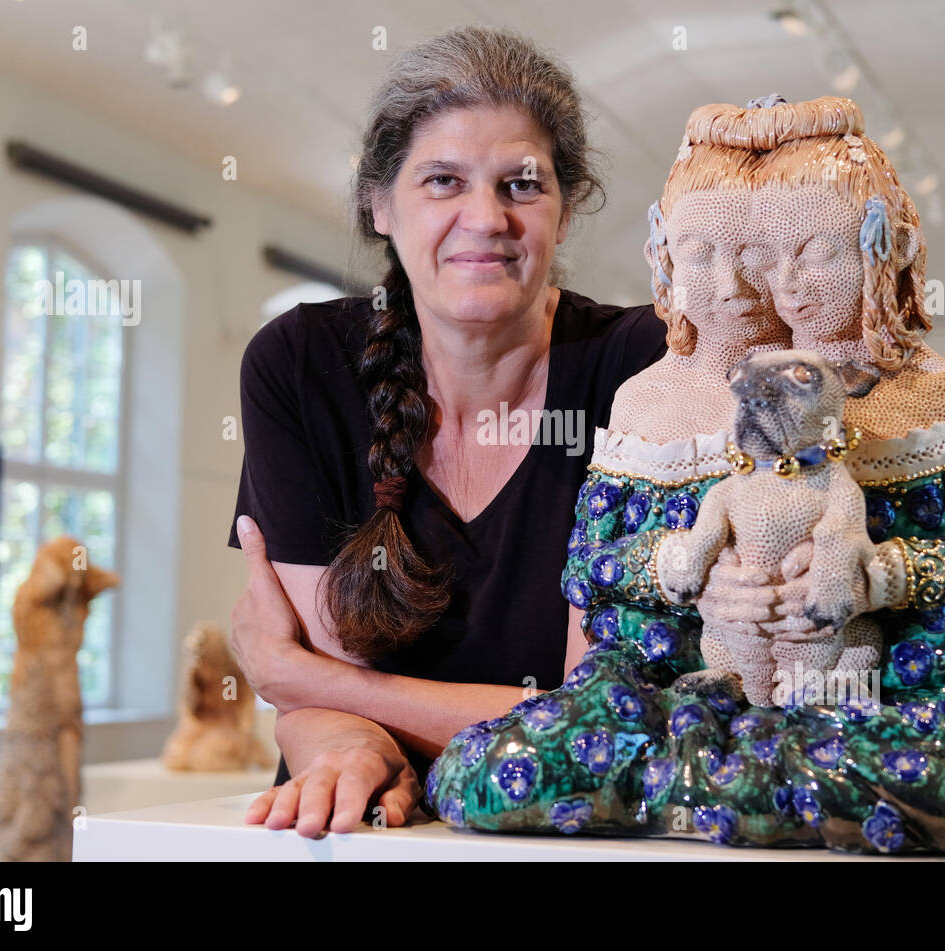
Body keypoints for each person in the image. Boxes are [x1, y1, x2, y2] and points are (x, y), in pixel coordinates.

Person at [425, 96, 945, 858]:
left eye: (787, 252)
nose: (749, 284)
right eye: (702, 252)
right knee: (501, 771)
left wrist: (877, 576)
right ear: (662, 255)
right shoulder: (648, 400)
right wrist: (689, 569)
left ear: (882, 247)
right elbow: (588, 564)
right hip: (690, 680)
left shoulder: (915, 393)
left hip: (895, 682)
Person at [224, 27, 668, 836]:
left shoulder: (641, 365)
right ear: (381, 204)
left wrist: (299, 682)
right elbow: (335, 702)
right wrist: (334, 722)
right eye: (443, 180)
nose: (485, 217)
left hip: (566, 842)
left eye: (521, 185)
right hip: (346, 826)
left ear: (563, 210)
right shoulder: (298, 365)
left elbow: (601, 727)